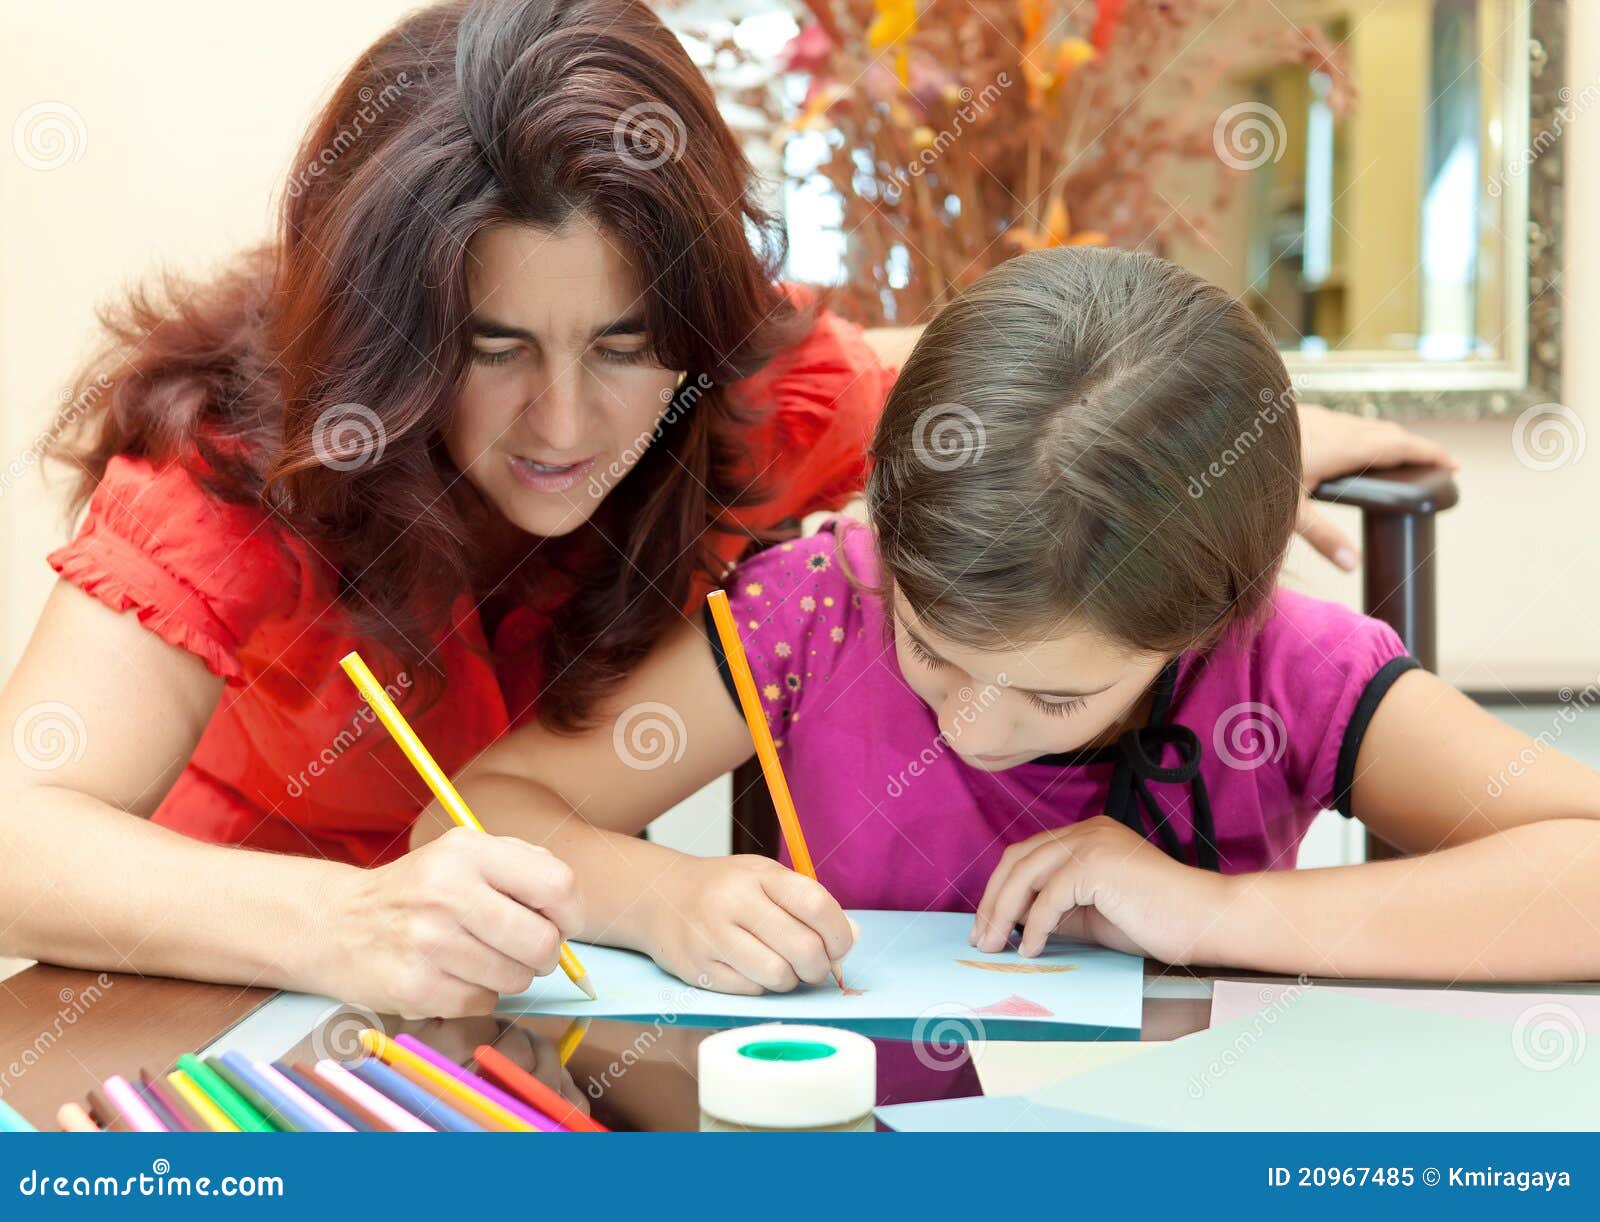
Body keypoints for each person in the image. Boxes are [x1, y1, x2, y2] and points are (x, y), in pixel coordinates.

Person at [0, 0, 1451, 1018]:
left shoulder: (746, 396)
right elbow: (20, 839)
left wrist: (1239, 452)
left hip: (515, 999)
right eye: (492, 349)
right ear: (391, 336)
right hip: (225, 1000)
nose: (565, 428)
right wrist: (343, 923)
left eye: (625, 345)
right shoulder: (245, 469)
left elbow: (1003, 395)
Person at [439, 248, 1600, 992]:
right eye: (932, 651)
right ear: (885, 541)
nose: (977, 729)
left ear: (1205, 622)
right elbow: (476, 816)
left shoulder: (1284, 670)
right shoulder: (818, 610)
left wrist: (1211, 911)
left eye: (1055, 695)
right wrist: (655, 893)